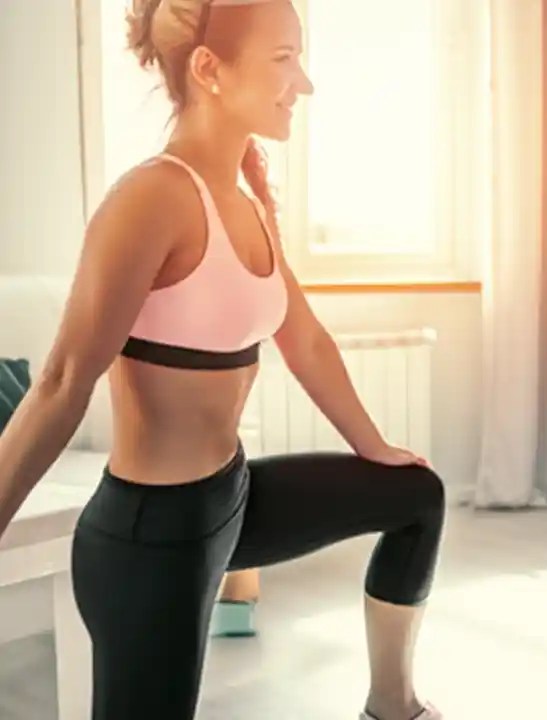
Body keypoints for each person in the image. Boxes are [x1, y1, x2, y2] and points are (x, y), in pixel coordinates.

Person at [0, 1, 445, 719]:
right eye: (282, 60)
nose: (303, 83)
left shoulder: (245, 201)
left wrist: (375, 449)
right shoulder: (150, 199)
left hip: (230, 501)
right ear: (209, 69)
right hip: (151, 540)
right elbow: (59, 382)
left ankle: (391, 705)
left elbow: (305, 341)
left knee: (416, 497)